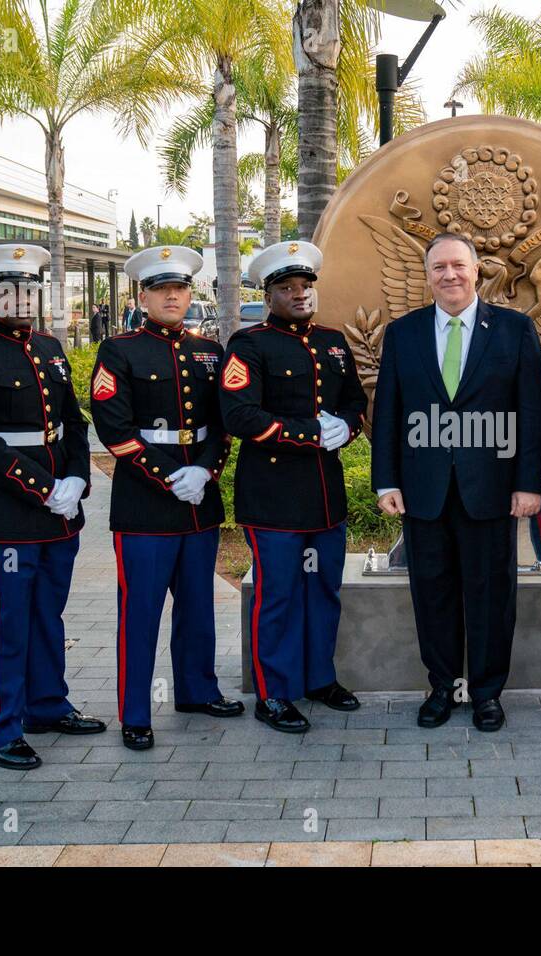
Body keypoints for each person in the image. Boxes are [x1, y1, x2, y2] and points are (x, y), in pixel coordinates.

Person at [371, 233, 541, 732]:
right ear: (427, 276)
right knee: (433, 594)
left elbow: (532, 414)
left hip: (491, 491)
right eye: (438, 268)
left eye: (458, 266)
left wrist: (528, 483)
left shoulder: (513, 330)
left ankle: (488, 693)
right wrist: (386, 479)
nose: (449, 275)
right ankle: (442, 688)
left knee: (491, 594)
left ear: (477, 271)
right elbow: (387, 411)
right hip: (424, 491)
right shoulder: (403, 334)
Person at [0, 244, 105, 770]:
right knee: (6, 618)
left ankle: (46, 705)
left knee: (46, 613)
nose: (21, 299)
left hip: (60, 504)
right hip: (5, 508)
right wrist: (44, 487)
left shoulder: (51, 347)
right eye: (10, 290)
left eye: (29, 290)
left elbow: (73, 422)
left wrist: (76, 477)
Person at [90, 245, 242, 751]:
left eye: (179, 288)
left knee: (199, 605)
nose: (172, 296)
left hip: (198, 500)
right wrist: (169, 476)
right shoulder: (120, 351)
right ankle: (135, 712)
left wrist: (204, 470)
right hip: (145, 505)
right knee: (141, 612)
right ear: (144, 296)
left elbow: (222, 423)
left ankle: (198, 690)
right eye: (161, 289)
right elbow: (113, 427)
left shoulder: (209, 352)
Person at [219, 241, 369, 733]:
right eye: (287, 288)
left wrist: (345, 427)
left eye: (306, 286)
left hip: (325, 494)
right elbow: (240, 414)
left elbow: (352, 402)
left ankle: (319, 678)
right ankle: (274, 692)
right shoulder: (250, 345)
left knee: (323, 590)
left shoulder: (331, 341)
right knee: (278, 595)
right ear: (269, 295)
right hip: (274, 496)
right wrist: (310, 433)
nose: (300, 294)